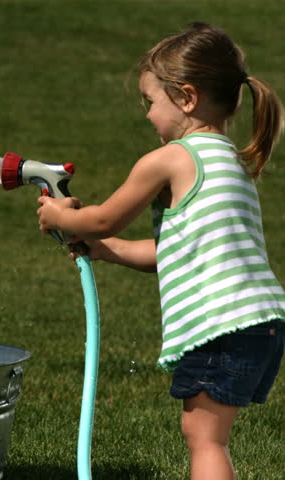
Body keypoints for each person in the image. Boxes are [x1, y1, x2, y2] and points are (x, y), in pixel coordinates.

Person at [36, 22, 285, 480]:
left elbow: (104, 217)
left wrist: (62, 218)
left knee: (204, 439)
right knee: (212, 436)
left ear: (186, 98)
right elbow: (174, 252)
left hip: (220, 324)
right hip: (260, 322)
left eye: (151, 102)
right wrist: (107, 251)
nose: (148, 115)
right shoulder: (229, 160)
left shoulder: (171, 158)